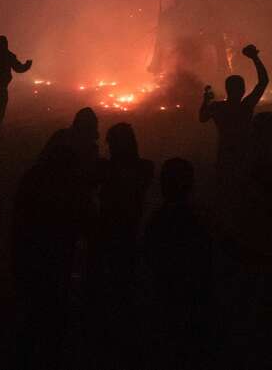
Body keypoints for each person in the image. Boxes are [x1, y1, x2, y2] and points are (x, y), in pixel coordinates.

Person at [11, 138, 89, 369]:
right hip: (53, 257)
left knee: (35, 312)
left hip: (33, 256)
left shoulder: (34, 179)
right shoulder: (66, 186)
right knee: (51, 311)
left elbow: (20, 217)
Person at [87, 123, 154, 366]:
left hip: (111, 229)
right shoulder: (145, 167)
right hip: (126, 229)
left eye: (112, 142)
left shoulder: (108, 168)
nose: (110, 146)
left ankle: (107, 336)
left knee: (110, 281)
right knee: (122, 280)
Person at [143, 157, 212, 364]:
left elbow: (150, 254)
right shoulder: (201, 217)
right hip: (192, 299)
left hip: (167, 297)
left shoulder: (159, 219)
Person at [199, 42, 268, 185]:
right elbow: (263, 82)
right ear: (242, 90)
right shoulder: (246, 106)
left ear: (227, 89)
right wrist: (255, 58)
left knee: (225, 188)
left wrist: (205, 101)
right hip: (244, 153)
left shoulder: (218, 107)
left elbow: (202, 118)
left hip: (224, 154)